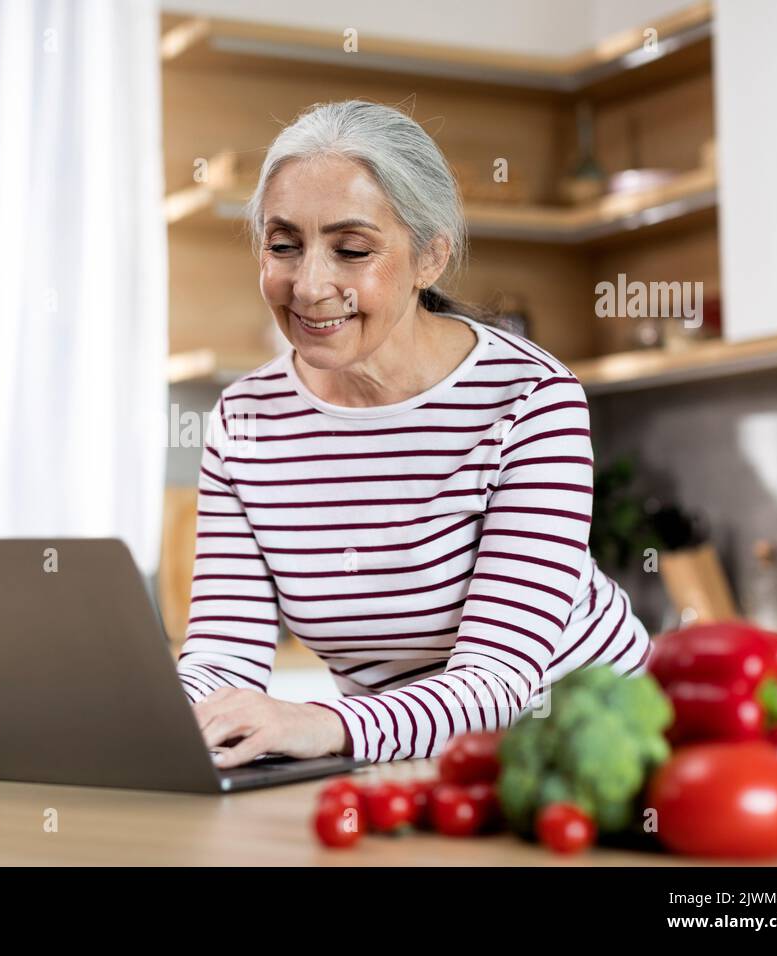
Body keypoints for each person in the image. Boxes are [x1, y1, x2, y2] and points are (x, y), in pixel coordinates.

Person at [176, 100, 650, 768]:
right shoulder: (245, 418)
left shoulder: (530, 399)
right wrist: (149, 715)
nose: (310, 285)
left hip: (586, 751)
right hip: (418, 763)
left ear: (430, 258)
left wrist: (324, 724)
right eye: (283, 245)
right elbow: (224, 653)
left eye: (351, 250)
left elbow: (498, 683)